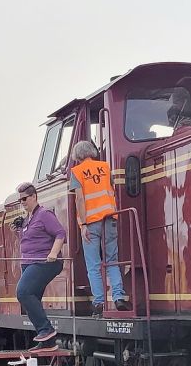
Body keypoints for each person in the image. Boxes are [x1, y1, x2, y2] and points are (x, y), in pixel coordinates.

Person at [69, 140, 131, 317]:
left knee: (94, 265)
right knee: (112, 260)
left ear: (77, 156)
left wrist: (83, 225)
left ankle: (99, 302)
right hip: (110, 218)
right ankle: (119, 297)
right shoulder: (105, 167)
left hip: (91, 222)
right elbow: (111, 190)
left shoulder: (76, 172)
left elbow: (80, 200)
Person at [13, 182, 66, 352]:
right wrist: (19, 228)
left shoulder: (44, 214)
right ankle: (48, 342)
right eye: (19, 200)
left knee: (23, 292)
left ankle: (46, 330)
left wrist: (53, 253)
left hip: (44, 262)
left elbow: (60, 233)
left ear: (34, 196)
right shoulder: (28, 219)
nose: (22, 202)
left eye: (24, 198)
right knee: (31, 300)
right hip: (29, 264)